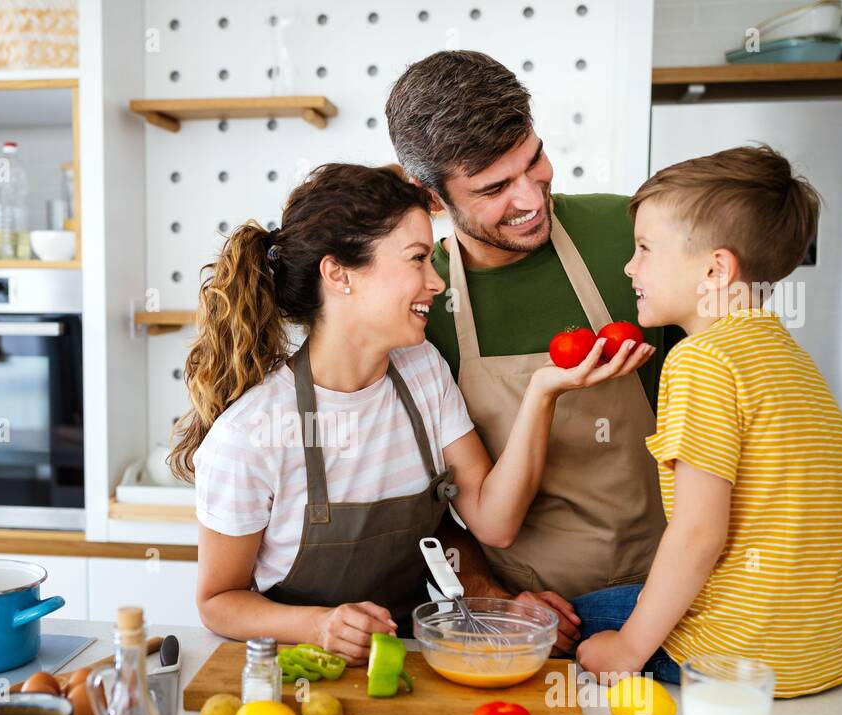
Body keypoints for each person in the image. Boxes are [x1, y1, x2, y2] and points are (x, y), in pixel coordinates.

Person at [383, 51, 842, 655]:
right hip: (539, 625)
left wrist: (832, 487)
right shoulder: (421, 302)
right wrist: (486, 593)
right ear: (431, 196)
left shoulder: (630, 233)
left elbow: (752, 386)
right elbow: (423, 512)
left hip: (694, 606)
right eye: (494, 188)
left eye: (535, 160)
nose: (530, 198)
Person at [172, 163, 651, 663]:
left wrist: (543, 393)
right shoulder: (251, 434)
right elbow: (217, 602)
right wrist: (318, 624)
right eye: (418, 259)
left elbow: (495, 522)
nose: (436, 282)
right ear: (339, 275)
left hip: (417, 658)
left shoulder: (420, 371)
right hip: (303, 670)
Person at [575, 146, 842, 696]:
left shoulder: (701, 359)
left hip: (732, 659)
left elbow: (698, 534)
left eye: (644, 249)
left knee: (565, 620)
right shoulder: (790, 358)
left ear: (715, 268)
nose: (629, 267)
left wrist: (628, 650)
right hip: (817, 657)